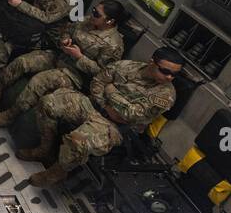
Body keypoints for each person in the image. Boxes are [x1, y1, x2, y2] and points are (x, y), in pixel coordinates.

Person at [20, 48, 183, 188]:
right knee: (48, 103)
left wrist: (111, 91)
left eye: (174, 74)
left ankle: (58, 172)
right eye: (165, 71)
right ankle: (44, 149)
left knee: (78, 141)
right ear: (152, 62)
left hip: (116, 127)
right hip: (95, 106)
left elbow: (131, 114)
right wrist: (105, 104)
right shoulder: (126, 66)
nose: (169, 77)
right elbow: (97, 82)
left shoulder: (165, 94)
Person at [0, 0, 127, 117]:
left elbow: (102, 74)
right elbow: (68, 30)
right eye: (94, 10)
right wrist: (65, 39)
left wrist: (79, 57)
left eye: (97, 14)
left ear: (110, 21)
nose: (93, 14)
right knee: (22, 62)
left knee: (39, 81)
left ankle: (10, 115)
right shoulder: (88, 21)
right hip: (59, 55)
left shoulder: (114, 45)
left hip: (74, 74)